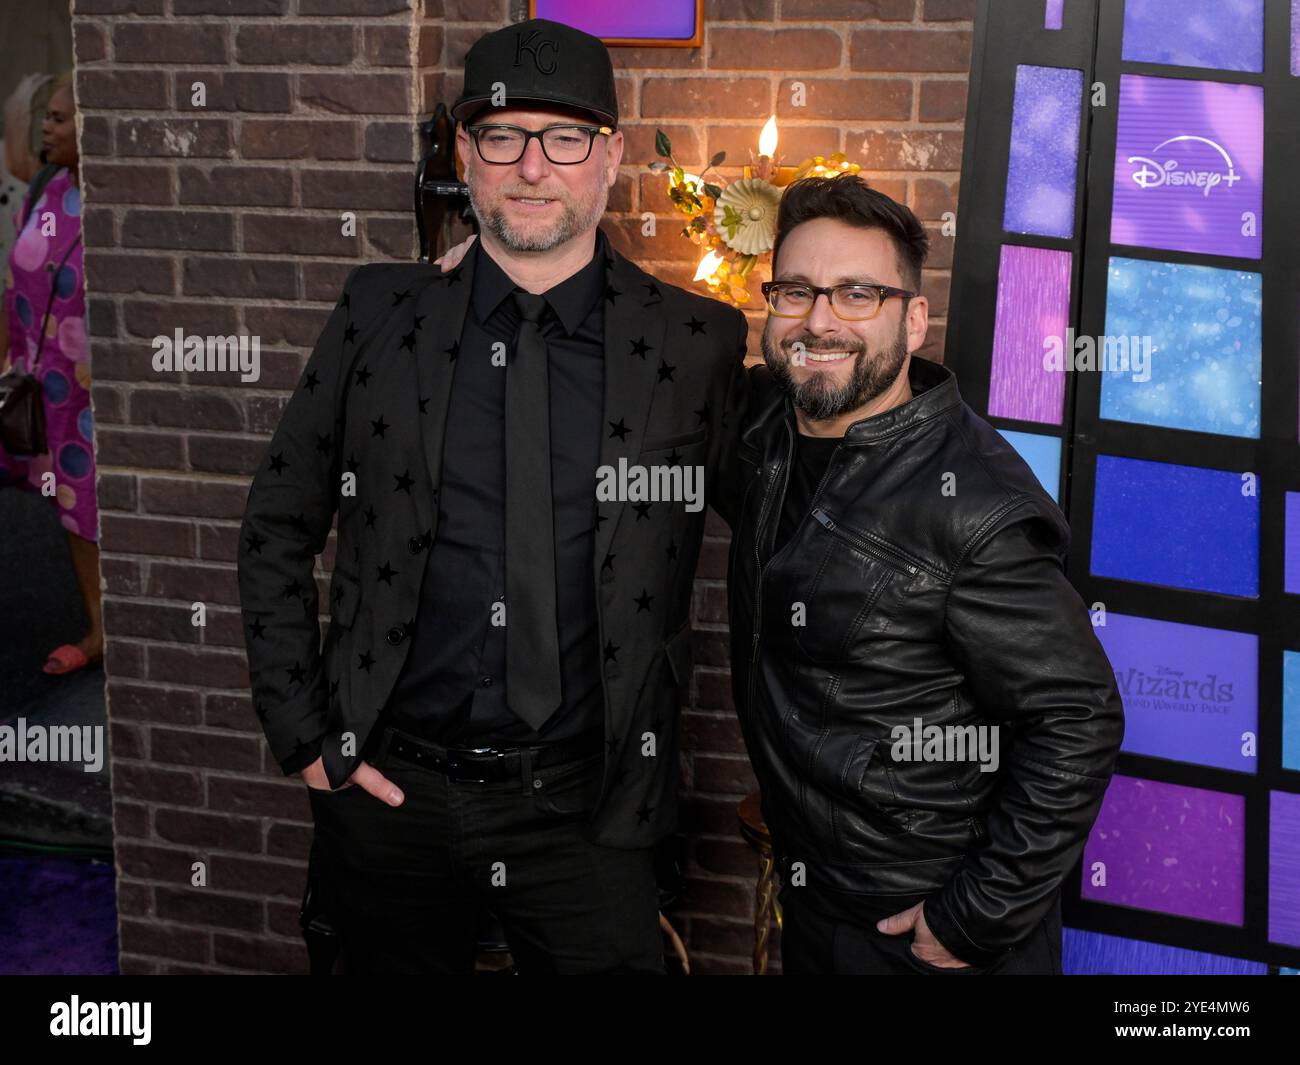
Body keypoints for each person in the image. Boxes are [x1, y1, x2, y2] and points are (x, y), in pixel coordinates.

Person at [237, 18, 749, 974]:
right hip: (390, 794)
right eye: (503, 137)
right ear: (466, 155)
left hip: (587, 810)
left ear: (610, 157)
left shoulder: (696, 344)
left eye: (564, 140)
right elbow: (276, 523)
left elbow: (792, 513)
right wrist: (305, 735)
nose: (531, 167)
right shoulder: (378, 314)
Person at [726, 175, 1124, 975]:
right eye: (796, 291)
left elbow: (1078, 717)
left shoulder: (973, 498)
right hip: (816, 899)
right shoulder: (766, 429)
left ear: (913, 321)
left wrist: (976, 916)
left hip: (921, 928)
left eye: (857, 294)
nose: (819, 321)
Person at [0, 71, 103, 675]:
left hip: (97, 391)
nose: (47, 126)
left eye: (60, 118)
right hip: (44, 387)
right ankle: (98, 624)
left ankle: (116, 623)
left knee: (93, 504)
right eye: (47, 116)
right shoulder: (45, 185)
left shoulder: (116, 202)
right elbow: (15, 280)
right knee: (70, 505)